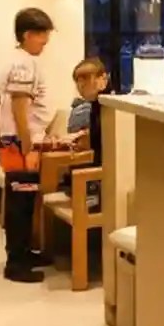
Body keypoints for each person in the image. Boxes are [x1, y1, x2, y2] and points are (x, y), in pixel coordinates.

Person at [0, 7, 58, 284]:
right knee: (20, 204)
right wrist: (28, 146)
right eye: (42, 35)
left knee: (25, 200)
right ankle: (16, 263)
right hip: (20, 144)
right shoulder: (23, 64)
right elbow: (20, 108)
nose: (46, 41)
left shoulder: (17, 60)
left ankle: (23, 252)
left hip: (15, 141)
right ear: (28, 34)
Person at [56, 57, 109, 211]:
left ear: (103, 79)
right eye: (78, 80)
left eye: (87, 78)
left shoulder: (109, 107)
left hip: (102, 174)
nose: (82, 85)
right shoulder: (90, 107)